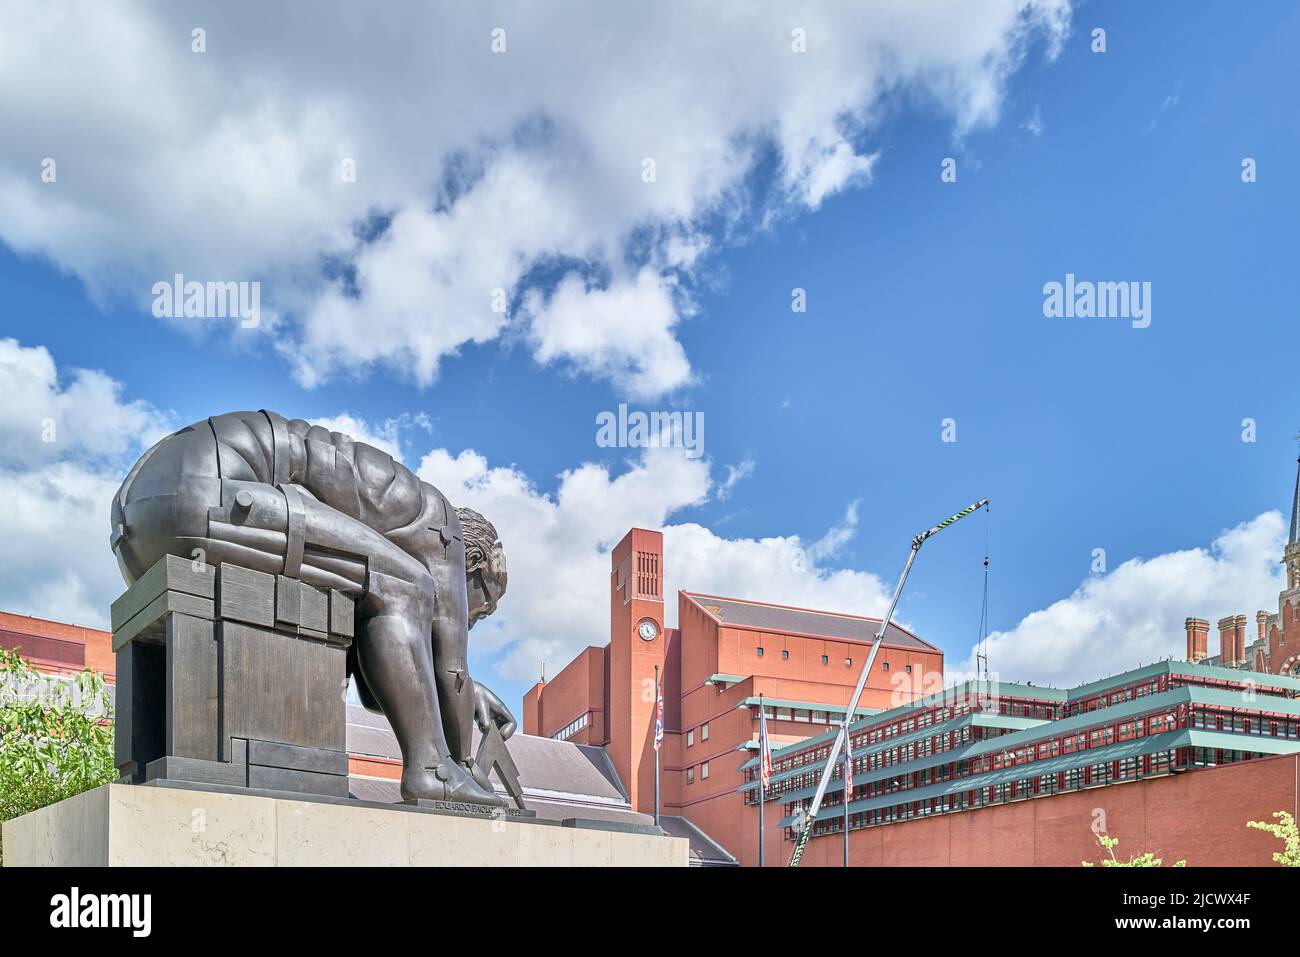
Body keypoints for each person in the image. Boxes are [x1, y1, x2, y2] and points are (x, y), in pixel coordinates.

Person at [110, 409, 514, 806]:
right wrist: (463, 762)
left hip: (141, 519)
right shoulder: (446, 530)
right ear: (473, 568)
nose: (473, 618)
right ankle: (433, 772)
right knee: (407, 584)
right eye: (483, 607)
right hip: (208, 493)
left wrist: (461, 689)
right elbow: (451, 667)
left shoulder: (397, 525)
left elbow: (383, 690)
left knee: (395, 583)